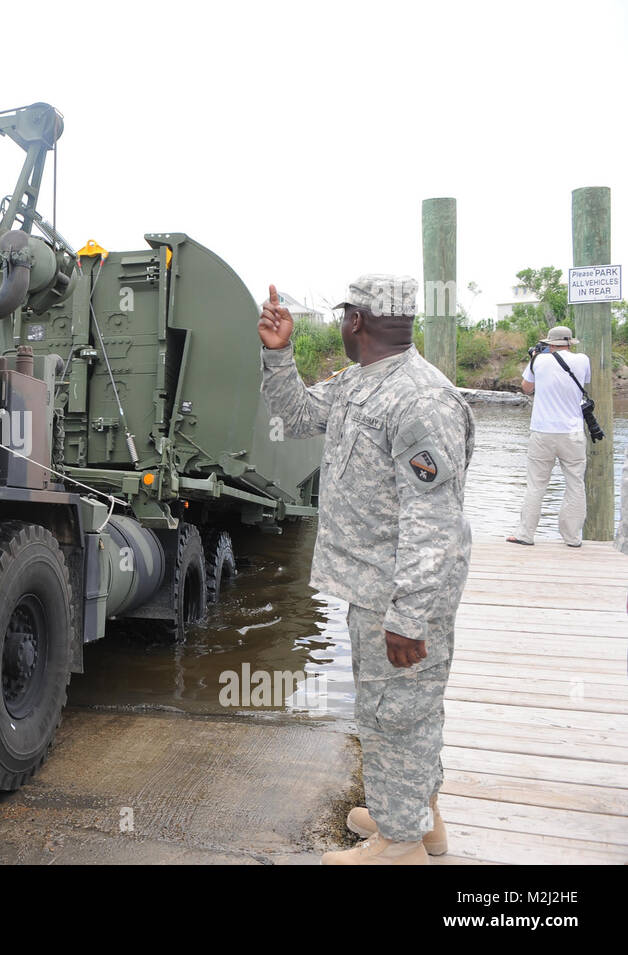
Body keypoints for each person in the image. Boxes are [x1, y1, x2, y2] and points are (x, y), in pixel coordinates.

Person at [258, 275, 475, 865]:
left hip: (399, 590)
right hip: (374, 583)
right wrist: (279, 354)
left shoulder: (420, 399)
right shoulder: (361, 383)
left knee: (395, 712)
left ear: (356, 320)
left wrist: (410, 615)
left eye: (342, 316)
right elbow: (299, 416)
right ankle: (414, 816)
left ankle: (399, 845)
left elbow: (436, 521)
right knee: (399, 708)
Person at [507, 326, 591, 547]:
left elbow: (526, 388)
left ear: (549, 344)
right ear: (570, 343)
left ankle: (526, 534)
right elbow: (583, 382)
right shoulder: (583, 359)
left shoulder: (539, 361)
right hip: (572, 432)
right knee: (575, 484)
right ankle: (572, 537)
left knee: (536, 485)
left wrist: (535, 357)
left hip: (542, 432)